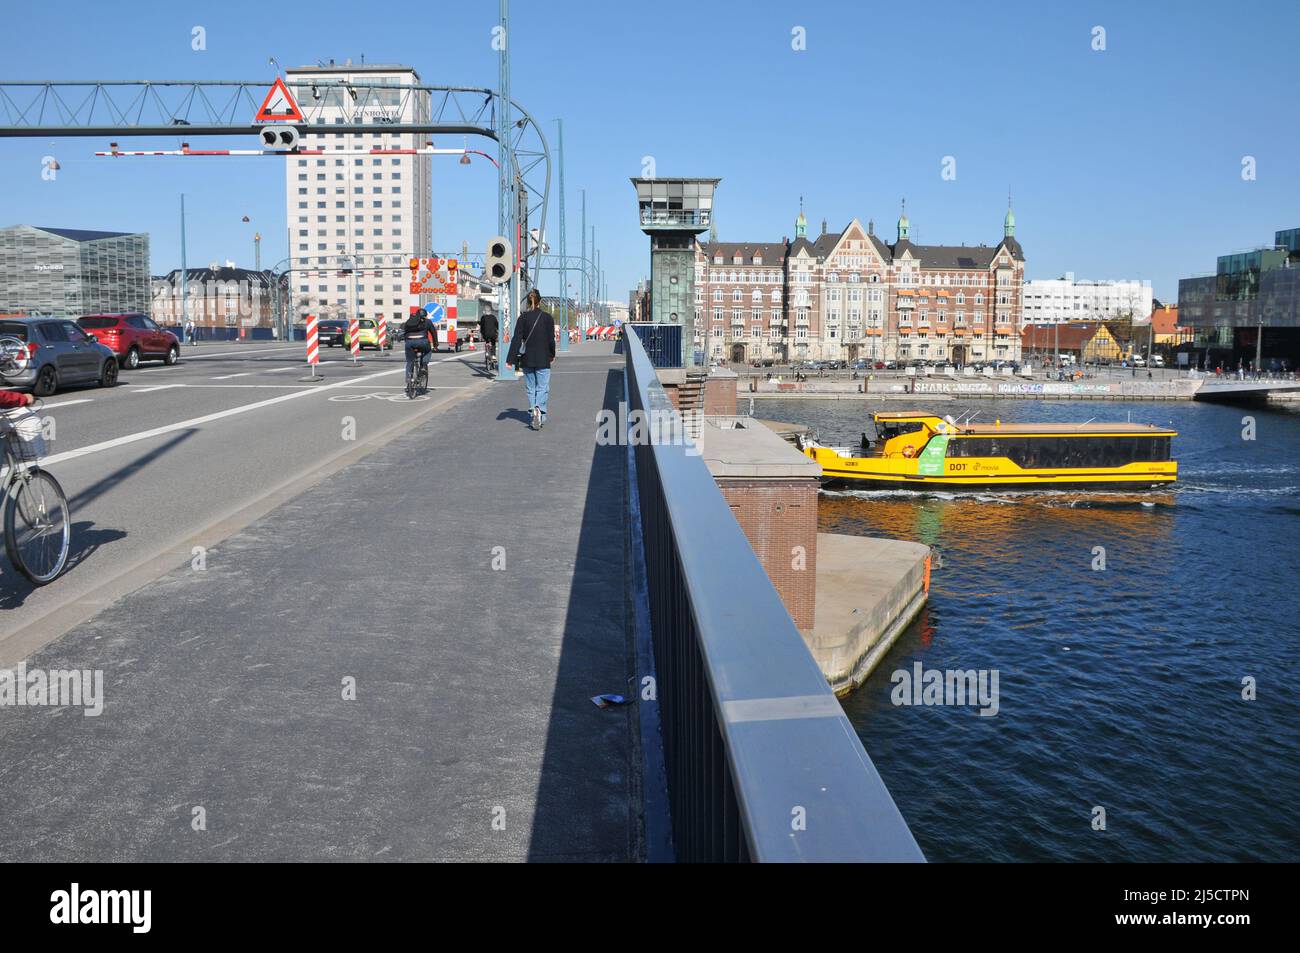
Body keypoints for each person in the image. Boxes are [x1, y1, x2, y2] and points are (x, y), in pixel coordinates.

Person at [506, 288, 556, 430]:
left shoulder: (522, 318)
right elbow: (550, 340)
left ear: (527, 302)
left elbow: (516, 339)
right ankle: (539, 410)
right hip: (543, 358)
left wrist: (510, 360)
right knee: (543, 387)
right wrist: (552, 354)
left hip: (527, 359)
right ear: (540, 301)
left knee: (531, 388)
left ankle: (533, 410)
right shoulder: (547, 318)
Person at [402, 308, 436, 384]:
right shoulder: (428, 322)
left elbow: (404, 333)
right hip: (423, 342)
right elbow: (434, 333)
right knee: (428, 351)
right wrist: (435, 345)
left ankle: (408, 378)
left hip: (409, 342)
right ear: (425, 315)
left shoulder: (409, 322)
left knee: (409, 361)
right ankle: (423, 366)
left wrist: (407, 342)